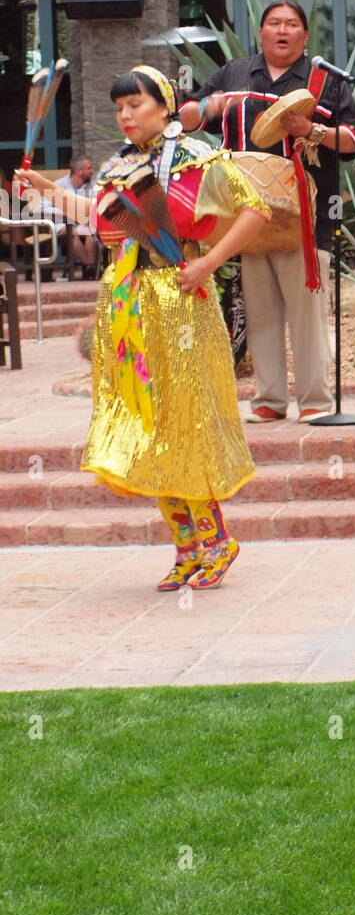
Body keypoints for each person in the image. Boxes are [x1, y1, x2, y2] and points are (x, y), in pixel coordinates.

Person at [16, 65, 271, 591]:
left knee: (186, 421)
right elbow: (97, 218)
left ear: (165, 104)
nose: (126, 115)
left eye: (136, 104)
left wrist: (207, 263)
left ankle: (216, 539)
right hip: (128, 305)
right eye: (119, 107)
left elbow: (256, 210)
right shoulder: (120, 167)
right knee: (146, 424)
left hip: (180, 301)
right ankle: (185, 548)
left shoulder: (199, 158)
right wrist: (45, 188)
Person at [179, 0, 355, 423]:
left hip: (303, 217)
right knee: (260, 311)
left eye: (292, 24)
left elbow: (353, 139)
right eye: (274, 23)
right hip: (246, 216)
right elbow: (188, 118)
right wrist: (204, 107)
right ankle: (269, 399)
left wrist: (312, 130)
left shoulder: (324, 81)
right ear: (261, 32)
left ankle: (315, 401)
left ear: (304, 36)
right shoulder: (234, 74)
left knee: (306, 314)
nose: (282, 30)